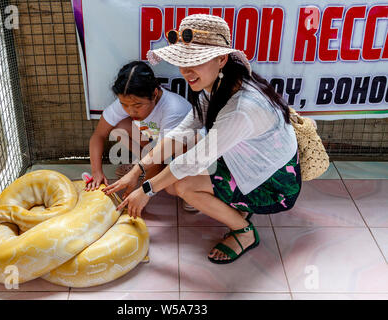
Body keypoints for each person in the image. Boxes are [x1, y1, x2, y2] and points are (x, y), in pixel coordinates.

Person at [103, 14, 302, 264]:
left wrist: (147, 189)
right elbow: (183, 131)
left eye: (195, 61)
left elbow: (194, 161)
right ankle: (238, 203)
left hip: (276, 183)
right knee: (177, 179)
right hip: (247, 163)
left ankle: (244, 232)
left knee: (184, 187)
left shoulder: (242, 107)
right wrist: (138, 170)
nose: (186, 71)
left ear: (221, 59)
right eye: (182, 61)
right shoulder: (218, 85)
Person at [87, 61, 192, 197]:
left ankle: (187, 184)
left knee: (172, 188)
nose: (131, 111)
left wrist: (141, 191)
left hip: (183, 151)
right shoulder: (128, 99)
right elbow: (98, 135)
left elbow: (160, 155)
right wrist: (96, 173)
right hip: (159, 150)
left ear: (154, 94)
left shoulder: (174, 109)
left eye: (137, 105)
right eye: (124, 104)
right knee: (120, 128)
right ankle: (147, 169)